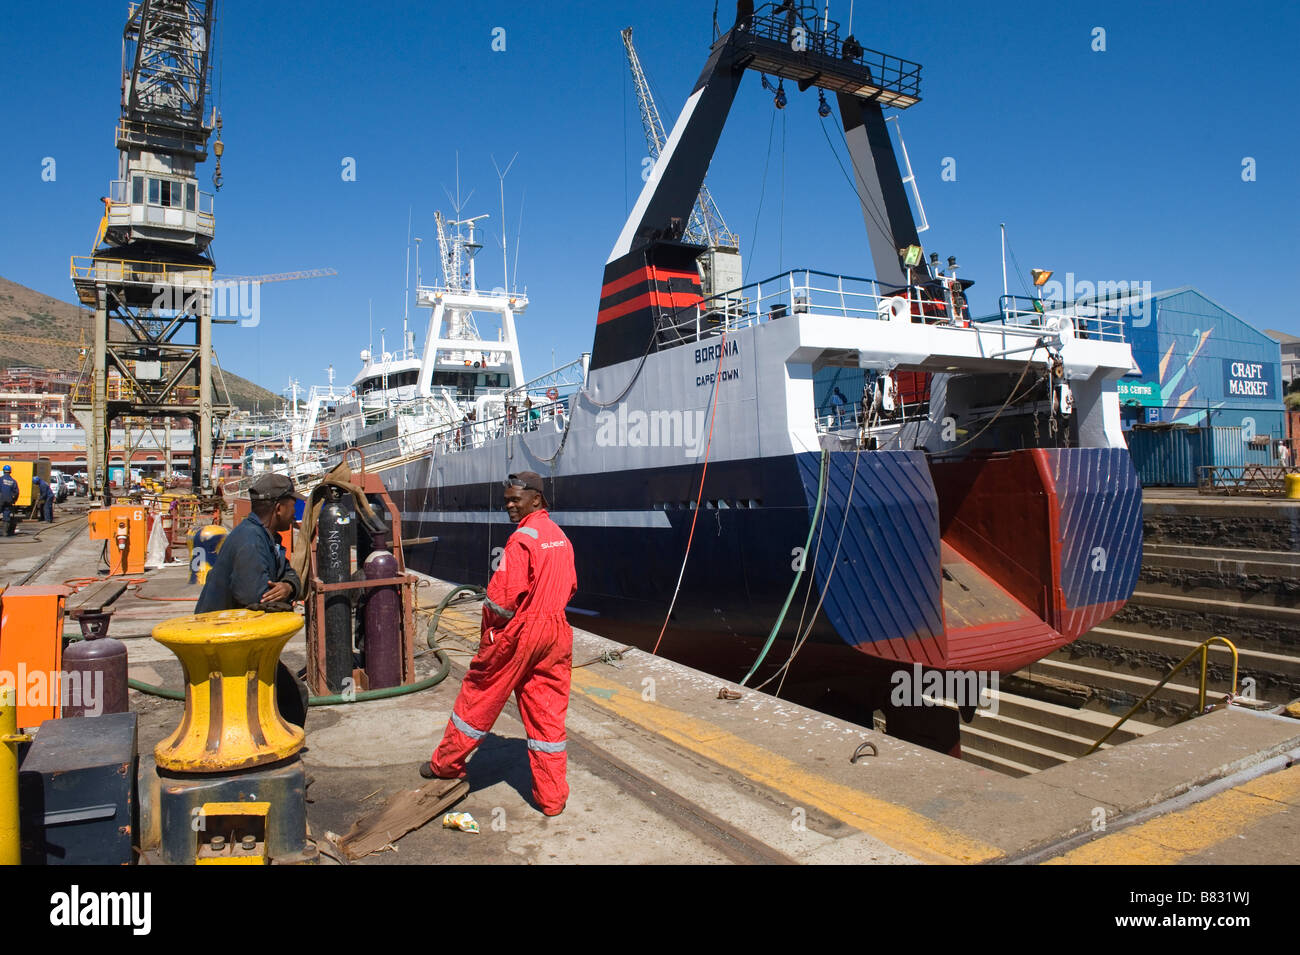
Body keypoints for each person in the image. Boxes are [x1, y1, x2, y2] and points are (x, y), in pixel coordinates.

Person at [423, 470, 577, 816]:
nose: (508, 505)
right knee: (547, 713)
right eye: (506, 499)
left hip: (521, 631)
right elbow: (570, 587)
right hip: (557, 631)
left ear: (535, 499)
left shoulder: (522, 539)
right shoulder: (559, 537)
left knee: (479, 697)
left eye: (514, 499)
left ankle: (446, 764)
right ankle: (552, 799)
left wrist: (490, 639)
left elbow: (500, 602)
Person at [195, 472, 309, 727]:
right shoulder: (251, 541)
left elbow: (290, 576)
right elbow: (256, 599)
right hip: (222, 647)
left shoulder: (265, 538)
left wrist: (288, 587)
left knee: (293, 695)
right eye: (293, 506)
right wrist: (284, 600)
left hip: (237, 644)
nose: (295, 512)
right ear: (279, 508)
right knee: (292, 698)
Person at [0, 466, 19, 536]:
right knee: (6, 515)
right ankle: (5, 532)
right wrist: (14, 500)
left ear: (3, 471)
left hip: (0, 499)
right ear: (10, 472)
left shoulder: (1, 479)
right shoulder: (13, 481)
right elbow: (16, 492)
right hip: (9, 500)